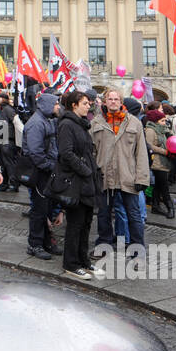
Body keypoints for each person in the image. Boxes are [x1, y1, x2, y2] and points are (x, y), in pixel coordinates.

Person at [90, 88, 149, 249]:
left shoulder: (134, 123)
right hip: (104, 177)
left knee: (134, 215)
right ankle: (104, 244)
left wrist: (142, 178)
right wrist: (93, 175)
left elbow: (141, 152)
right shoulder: (96, 123)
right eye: (110, 99)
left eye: (116, 99)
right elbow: (92, 151)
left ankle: (138, 248)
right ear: (105, 101)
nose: (113, 102)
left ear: (121, 102)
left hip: (128, 176)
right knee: (103, 215)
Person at [55, 90, 101, 279]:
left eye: (89, 103)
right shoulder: (67, 124)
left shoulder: (81, 124)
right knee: (76, 223)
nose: (88, 106)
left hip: (87, 181)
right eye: (84, 103)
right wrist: (85, 169)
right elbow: (66, 153)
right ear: (74, 105)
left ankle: (84, 260)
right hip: (76, 181)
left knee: (86, 222)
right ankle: (71, 263)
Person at [22, 90, 59, 260]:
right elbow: (36, 152)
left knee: (47, 208)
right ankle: (35, 244)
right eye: (55, 103)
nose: (57, 107)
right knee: (39, 210)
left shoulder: (47, 120)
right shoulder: (36, 123)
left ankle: (45, 241)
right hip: (40, 173)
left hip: (48, 171)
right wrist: (49, 166)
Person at [144, 108, 176, 219]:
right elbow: (149, 146)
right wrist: (165, 151)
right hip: (156, 162)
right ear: (156, 120)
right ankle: (170, 207)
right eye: (162, 121)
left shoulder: (161, 129)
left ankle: (155, 206)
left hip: (163, 161)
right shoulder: (150, 130)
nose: (164, 123)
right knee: (164, 186)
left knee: (158, 185)